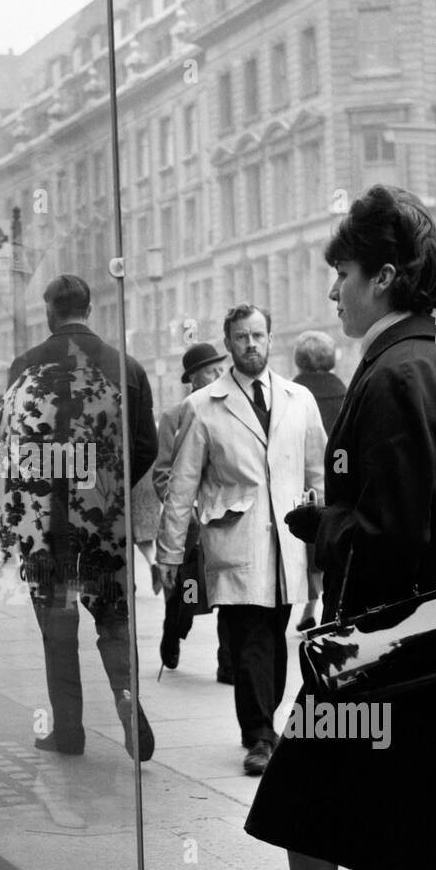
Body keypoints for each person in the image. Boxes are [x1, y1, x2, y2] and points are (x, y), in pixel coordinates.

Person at [232, 186, 436, 870]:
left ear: (385, 277)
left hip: (385, 644)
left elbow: (388, 532)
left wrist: (322, 524)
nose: (335, 291)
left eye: (343, 274)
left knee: (299, 786)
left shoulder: (391, 378)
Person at [0, 273, 157, 760]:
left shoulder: (24, 366)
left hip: (47, 524)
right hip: (103, 518)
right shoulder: (126, 367)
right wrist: (107, 486)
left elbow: (11, 447)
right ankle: (126, 695)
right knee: (113, 617)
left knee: (58, 629)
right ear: (89, 307)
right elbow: (145, 446)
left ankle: (68, 731)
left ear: (49, 310)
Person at [157, 307, 325, 776]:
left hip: (288, 541)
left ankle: (266, 725)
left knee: (274, 637)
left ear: (271, 340)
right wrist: (170, 551)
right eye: (241, 337)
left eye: (258, 335)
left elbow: (318, 472)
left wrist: (326, 536)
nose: (251, 344)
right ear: (228, 344)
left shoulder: (299, 400)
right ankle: (258, 736)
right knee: (250, 637)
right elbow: (182, 485)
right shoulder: (203, 406)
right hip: (235, 539)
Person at [152, 341, 230, 674]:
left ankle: (228, 663)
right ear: (194, 378)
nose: (219, 375)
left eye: (219, 369)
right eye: (211, 371)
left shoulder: (231, 408)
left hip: (227, 519)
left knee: (230, 594)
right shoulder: (175, 416)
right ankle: (173, 633)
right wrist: (189, 503)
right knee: (187, 590)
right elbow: (162, 473)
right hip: (191, 525)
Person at [291, 330, 347, 630]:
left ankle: (309, 607)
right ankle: (323, 609)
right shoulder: (348, 394)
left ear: (298, 361)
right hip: (338, 484)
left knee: (307, 547)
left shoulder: (289, 395)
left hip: (297, 485)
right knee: (331, 546)